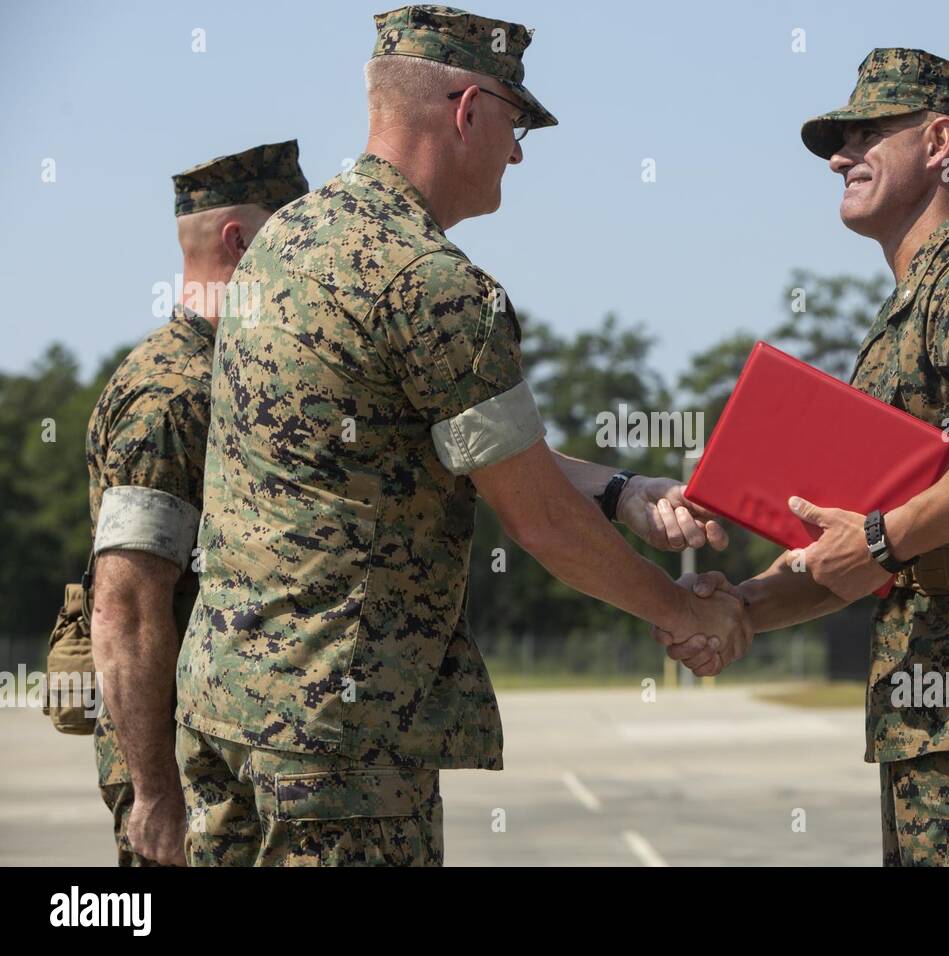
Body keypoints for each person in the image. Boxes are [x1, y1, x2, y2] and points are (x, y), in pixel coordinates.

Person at [174, 4, 750, 867]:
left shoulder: (283, 241)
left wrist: (628, 495)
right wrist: (677, 610)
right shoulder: (433, 283)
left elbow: (460, 449)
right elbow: (540, 522)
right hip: (342, 743)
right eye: (516, 125)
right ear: (468, 109)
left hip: (226, 710)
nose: (517, 153)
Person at [663, 48, 949, 866]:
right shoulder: (909, 309)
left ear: (940, 139)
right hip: (935, 714)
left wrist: (882, 538)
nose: (841, 156)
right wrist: (739, 607)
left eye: (869, 133)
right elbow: (859, 548)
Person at [82, 141, 308, 865]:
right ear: (240, 242)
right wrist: (155, 796)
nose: (308, 259)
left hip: (224, 760)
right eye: (292, 237)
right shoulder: (175, 392)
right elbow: (126, 606)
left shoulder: (234, 369)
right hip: (183, 773)